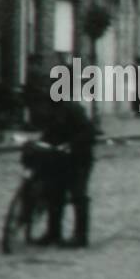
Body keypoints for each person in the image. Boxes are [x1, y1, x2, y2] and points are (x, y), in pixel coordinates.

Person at [37, 94, 97, 247]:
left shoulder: (74, 109)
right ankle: (53, 233)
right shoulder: (51, 111)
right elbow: (48, 134)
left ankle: (81, 237)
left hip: (80, 160)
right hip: (60, 159)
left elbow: (89, 132)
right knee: (54, 194)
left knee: (78, 195)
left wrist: (71, 145)